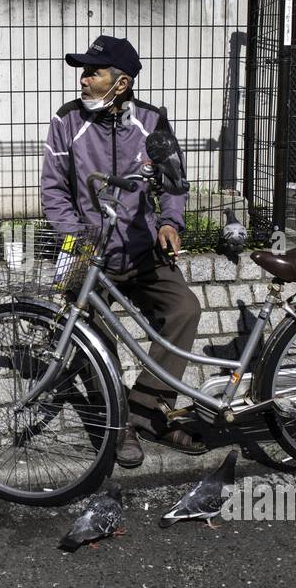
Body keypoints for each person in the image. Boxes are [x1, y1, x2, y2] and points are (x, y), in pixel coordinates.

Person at [39, 35, 204, 467]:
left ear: (121, 83)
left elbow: (173, 182)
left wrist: (170, 223)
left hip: (141, 248)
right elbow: (54, 191)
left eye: (93, 71)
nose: (84, 78)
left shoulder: (152, 120)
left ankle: (146, 408)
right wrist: (76, 238)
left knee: (184, 308)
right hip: (89, 254)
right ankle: (118, 423)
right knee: (93, 336)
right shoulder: (66, 120)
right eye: (84, 70)